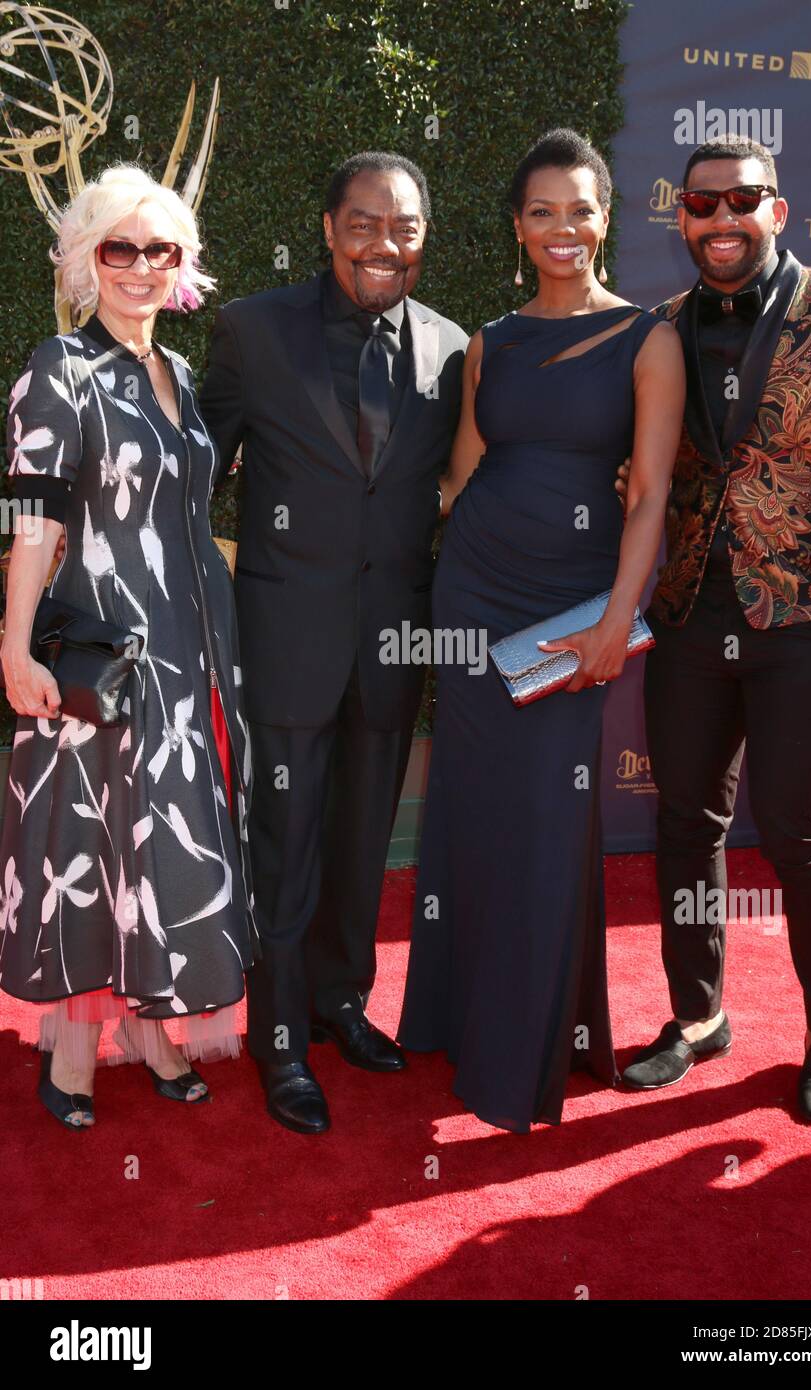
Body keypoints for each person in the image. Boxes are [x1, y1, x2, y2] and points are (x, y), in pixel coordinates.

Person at [396, 129, 685, 1133]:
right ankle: (453, 1019)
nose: (562, 228)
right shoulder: (492, 341)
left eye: (579, 208)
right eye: (541, 212)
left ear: (605, 215)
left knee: (548, 819)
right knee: (471, 812)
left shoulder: (648, 339)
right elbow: (461, 476)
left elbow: (646, 493)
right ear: (517, 227)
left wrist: (616, 616)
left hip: (572, 607)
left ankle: (526, 1055)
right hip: (473, 589)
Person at [198, 152, 468, 1135]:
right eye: (362, 224)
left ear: (422, 237)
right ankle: (276, 1044)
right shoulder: (253, 330)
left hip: (393, 646)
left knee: (359, 845)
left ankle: (338, 1003)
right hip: (285, 641)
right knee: (285, 847)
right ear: (325, 227)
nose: (382, 245)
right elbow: (195, 473)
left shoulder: (449, 349)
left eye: (402, 228)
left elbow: (469, 481)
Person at [0, 164, 259, 1129]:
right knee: (92, 836)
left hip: (190, 655)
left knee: (164, 846)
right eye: (121, 248)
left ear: (183, 264)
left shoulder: (178, 373)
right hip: (105, 659)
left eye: (162, 250)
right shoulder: (56, 370)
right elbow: (33, 518)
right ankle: (72, 1054)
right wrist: (15, 646)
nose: (142, 267)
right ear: (85, 259)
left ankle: (152, 1031)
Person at [620, 136, 811, 1123]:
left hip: (803, 615)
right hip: (687, 614)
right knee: (684, 822)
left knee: (799, 827)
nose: (720, 220)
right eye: (700, 204)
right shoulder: (663, 327)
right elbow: (641, 477)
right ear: (678, 217)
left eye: (741, 200)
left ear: (779, 208)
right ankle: (696, 1016)